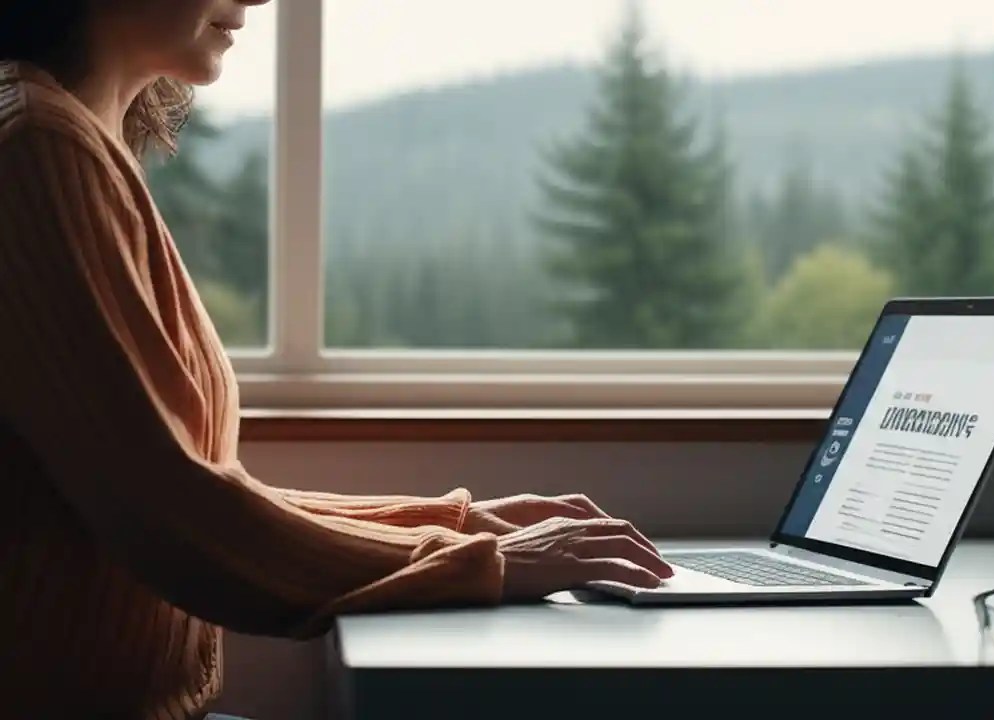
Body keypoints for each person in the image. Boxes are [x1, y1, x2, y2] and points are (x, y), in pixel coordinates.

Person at [0, 1, 674, 718]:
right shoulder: (37, 148)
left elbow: (184, 490)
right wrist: (485, 563)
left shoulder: (64, 141)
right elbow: (171, 512)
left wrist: (455, 528)